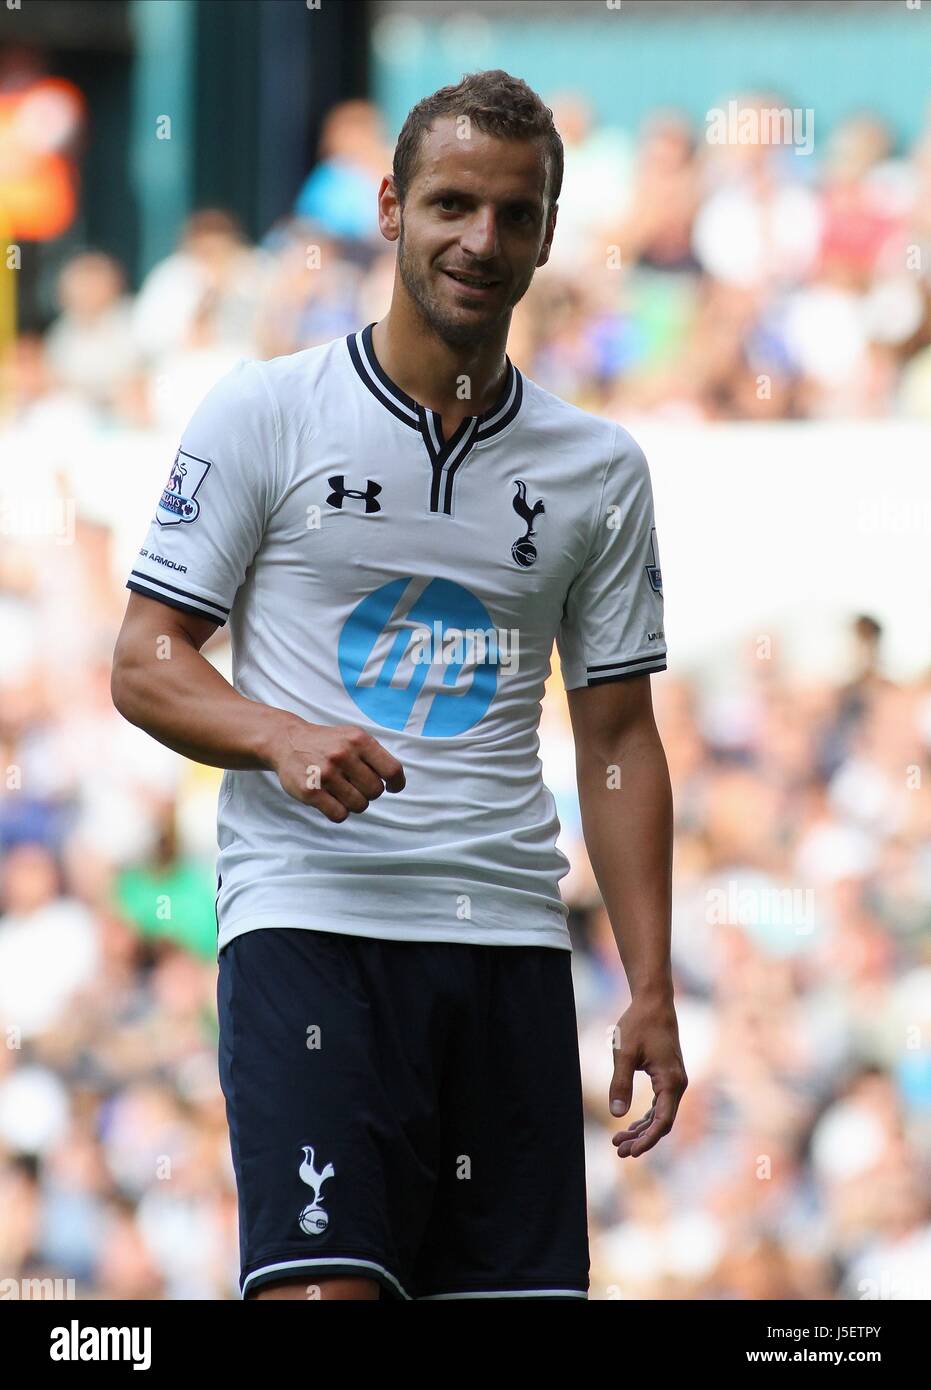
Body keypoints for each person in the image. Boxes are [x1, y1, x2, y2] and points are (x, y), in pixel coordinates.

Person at [110, 69, 687, 1302]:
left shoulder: (599, 469)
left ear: (545, 235)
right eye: (451, 205)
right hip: (310, 928)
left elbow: (620, 740)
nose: (481, 241)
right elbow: (145, 660)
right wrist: (278, 737)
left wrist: (649, 982)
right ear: (388, 208)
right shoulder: (265, 411)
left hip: (510, 953)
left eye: (515, 216)